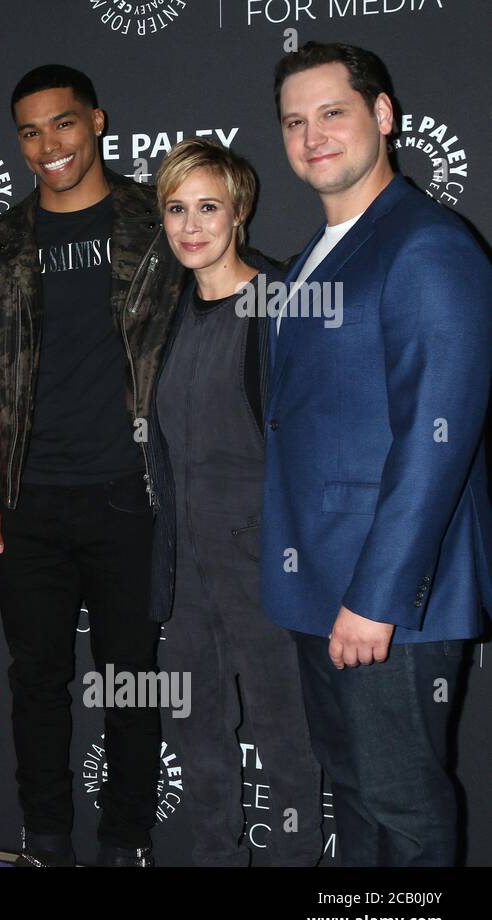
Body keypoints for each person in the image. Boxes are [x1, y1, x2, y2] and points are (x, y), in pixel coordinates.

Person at [263, 42, 492, 866]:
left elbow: (438, 438)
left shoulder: (425, 244)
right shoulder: (313, 257)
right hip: (324, 584)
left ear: (383, 115)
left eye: (333, 113)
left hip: (388, 598)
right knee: (358, 798)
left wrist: (376, 597)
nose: (313, 136)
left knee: (403, 811)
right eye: (295, 121)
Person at [0, 65, 185, 867]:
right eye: (29, 131)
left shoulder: (155, 222)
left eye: (62, 123)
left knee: (132, 683)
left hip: (131, 496)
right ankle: (45, 841)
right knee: (38, 682)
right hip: (31, 502)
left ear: (96, 121)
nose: (47, 144)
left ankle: (126, 843)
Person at [145, 138, 322, 866]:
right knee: (199, 739)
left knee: (287, 740)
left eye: (208, 207)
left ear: (239, 212)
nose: (191, 226)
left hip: (268, 565)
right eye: (177, 209)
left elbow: (314, 444)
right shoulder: (166, 312)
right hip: (187, 568)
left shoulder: (282, 304)